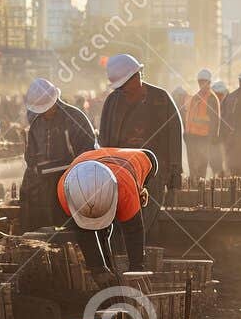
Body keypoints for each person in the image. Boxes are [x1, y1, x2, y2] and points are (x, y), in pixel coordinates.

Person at [98, 53, 183, 227]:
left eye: (126, 84)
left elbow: (174, 137)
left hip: (154, 173)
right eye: (120, 87)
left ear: (137, 76)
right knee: (124, 220)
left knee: (147, 220)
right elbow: (104, 141)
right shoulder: (112, 102)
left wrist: (175, 174)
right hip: (122, 172)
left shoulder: (161, 99)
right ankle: (125, 252)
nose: (125, 90)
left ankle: (143, 251)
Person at [57, 147, 158, 286]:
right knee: (94, 236)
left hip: (134, 161)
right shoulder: (65, 191)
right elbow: (83, 232)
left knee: (150, 158)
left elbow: (134, 231)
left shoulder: (125, 189)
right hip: (86, 158)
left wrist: (136, 270)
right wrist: (97, 268)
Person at [21, 78, 96, 230]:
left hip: (73, 180)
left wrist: (68, 169)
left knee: (69, 222)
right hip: (45, 183)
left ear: (55, 102)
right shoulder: (37, 123)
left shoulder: (75, 118)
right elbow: (31, 156)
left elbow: (88, 152)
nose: (43, 114)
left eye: (45, 109)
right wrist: (35, 170)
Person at [183, 69, 221, 181]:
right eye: (200, 82)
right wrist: (186, 132)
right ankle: (194, 185)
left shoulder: (212, 98)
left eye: (204, 82)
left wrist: (214, 137)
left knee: (201, 166)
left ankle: (200, 188)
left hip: (204, 137)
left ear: (209, 83)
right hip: (191, 137)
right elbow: (189, 117)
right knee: (192, 166)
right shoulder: (195, 97)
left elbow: (215, 120)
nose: (202, 84)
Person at [209, 79, 229, 176]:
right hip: (213, 139)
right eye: (217, 94)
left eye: (221, 94)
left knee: (225, 162)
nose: (219, 97)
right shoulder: (210, 102)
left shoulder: (229, 103)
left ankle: (224, 178)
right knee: (215, 161)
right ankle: (217, 177)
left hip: (225, 139)